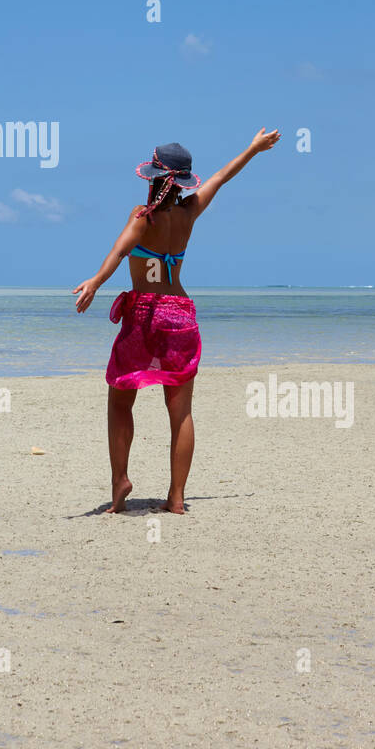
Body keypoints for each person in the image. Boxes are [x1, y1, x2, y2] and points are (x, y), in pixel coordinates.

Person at [73, 130, 280, 514]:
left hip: (145, 315)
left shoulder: (142, 216)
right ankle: (177, 497)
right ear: (182, 180)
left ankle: (120, 482)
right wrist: (253, 149)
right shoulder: (188, 213)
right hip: (180, 314)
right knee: (180, 410)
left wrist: (95, 283)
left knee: (120, 400)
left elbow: (119, 253)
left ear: (154, 177)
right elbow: (221, 177)